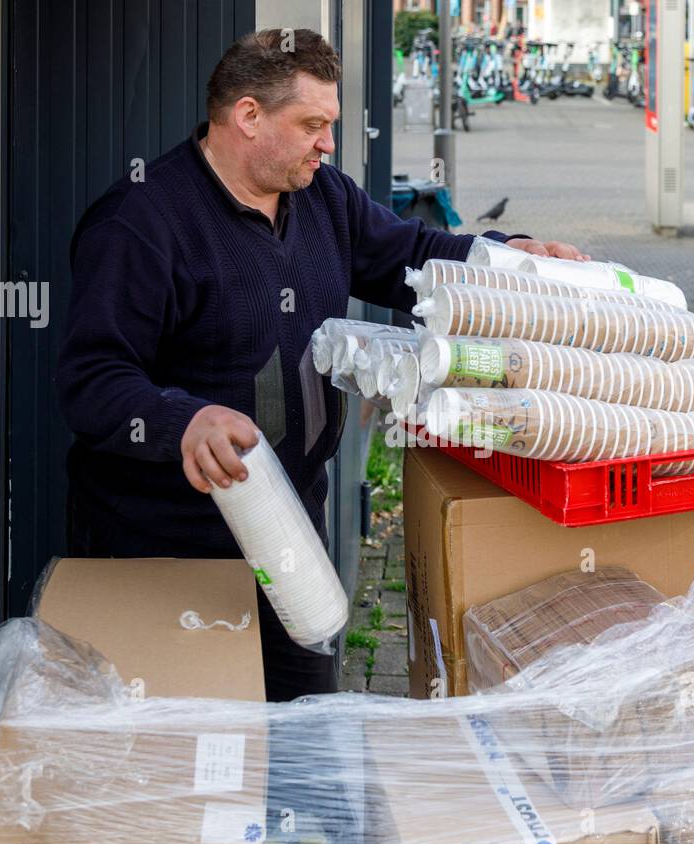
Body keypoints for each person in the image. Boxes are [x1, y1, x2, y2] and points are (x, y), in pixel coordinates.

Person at [55, 29, 585, 702]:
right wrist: (183, 421)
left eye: (330, 125)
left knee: (303, 731)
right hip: (164, 548)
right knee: (187, 764)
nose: (328, 143)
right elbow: (91, 380)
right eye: (312, 124)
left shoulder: (322, 198)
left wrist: (505, 256)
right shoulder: (140, 224)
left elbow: (411, 254)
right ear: (247, 117)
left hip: (287, 529)